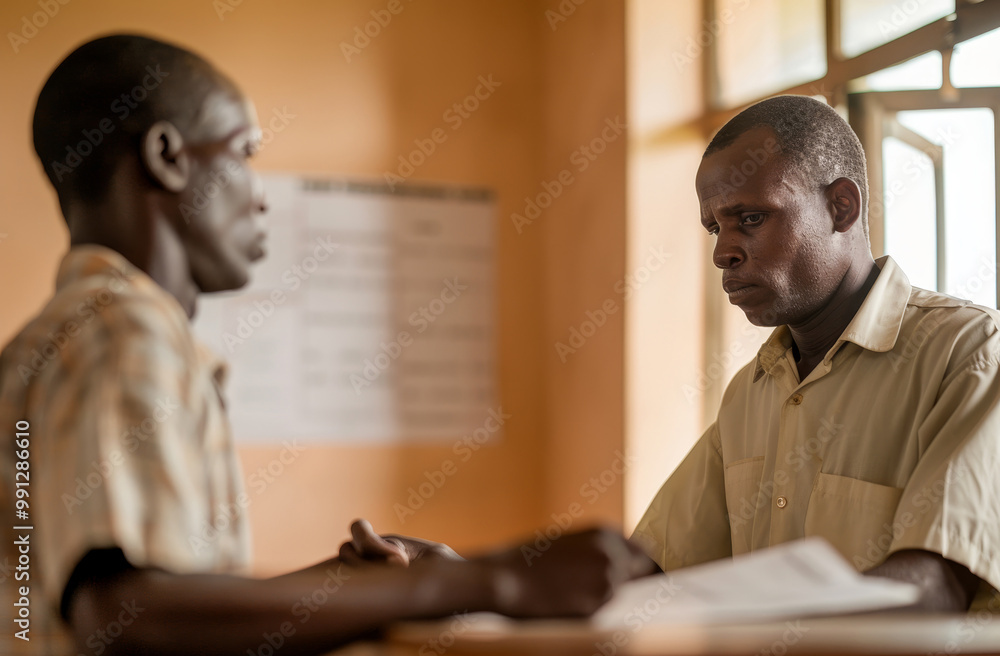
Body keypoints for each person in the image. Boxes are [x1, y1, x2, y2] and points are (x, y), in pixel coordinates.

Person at [0, 34, 646, 656]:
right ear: (167, 157)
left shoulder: (48, 343)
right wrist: (490, 579)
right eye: (245, 151)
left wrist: (347, 587)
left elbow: (139, 605)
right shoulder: (125, 331)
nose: (260, 198)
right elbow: (124, 619)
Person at [349, 95, 1000, 613]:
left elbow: (931, 589)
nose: (723, 250)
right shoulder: (754, 388)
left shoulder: (969, 355)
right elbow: (653, 571)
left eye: (750, 218)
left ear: (840, 206)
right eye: (714, 226)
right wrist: (465, 578)